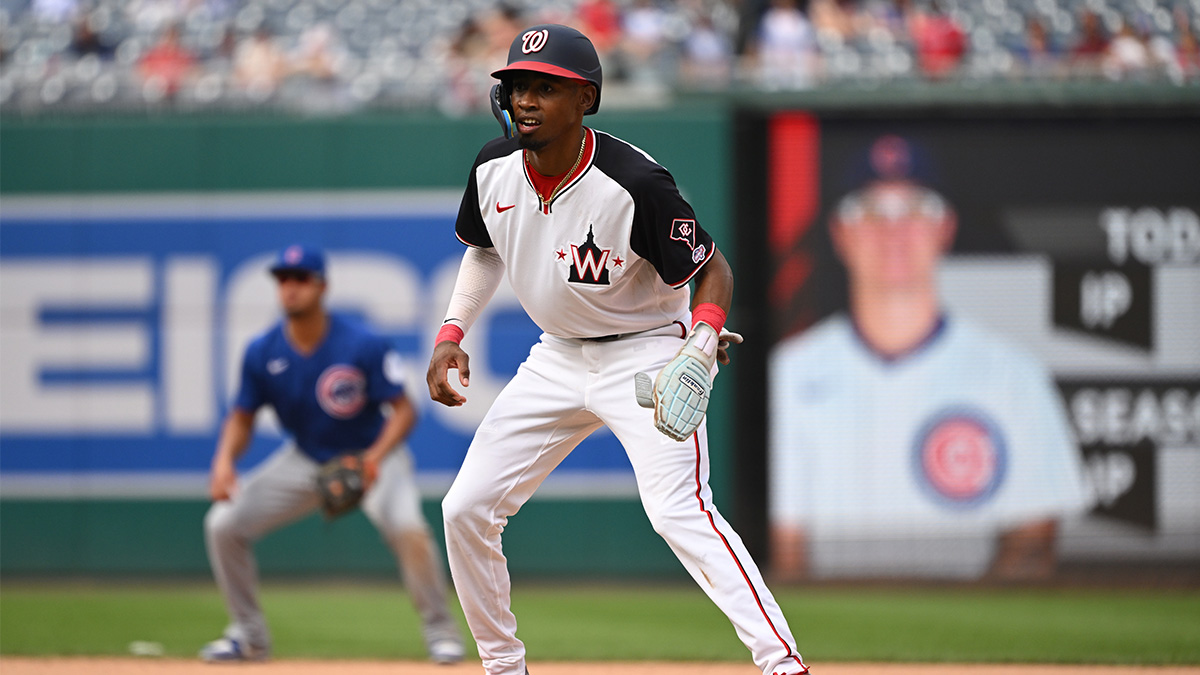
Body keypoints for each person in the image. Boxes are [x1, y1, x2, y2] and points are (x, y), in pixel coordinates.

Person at [427, 24, 808, 675]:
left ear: (586, 101)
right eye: (517, 84)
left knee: (677, 511)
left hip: (645, 354)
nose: (525, 99)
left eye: (546, 88)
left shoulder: (634, 182)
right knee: (464, 507)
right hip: (555, 357)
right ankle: (502, 665)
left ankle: (782, 663)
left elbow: (713, 268)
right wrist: (451, 332)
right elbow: (484, 247)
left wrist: (705, 332)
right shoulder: (492, 167)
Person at [768, 137, 1089, 582]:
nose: (893, 232)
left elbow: (1033, 542)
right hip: (827, 628)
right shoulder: (790, 373)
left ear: (946, 228)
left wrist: (968, 639)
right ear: (840, 233)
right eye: (871, 212)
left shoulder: (1011, 373)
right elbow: (784, 551)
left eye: (916, 211)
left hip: (971, 627)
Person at [201, 244, 465, 664]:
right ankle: (249, 636)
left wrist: (374, 459)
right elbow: (241, 417)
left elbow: (403, 410)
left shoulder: (361, 344)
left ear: (321, 286)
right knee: (223, 524)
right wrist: (223, 462)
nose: (290, 288)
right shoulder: (263, 351)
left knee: (408, 529)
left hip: (371, 455)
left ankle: (440, 633)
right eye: (283, 280)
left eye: (301, 279)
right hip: (306, 459)